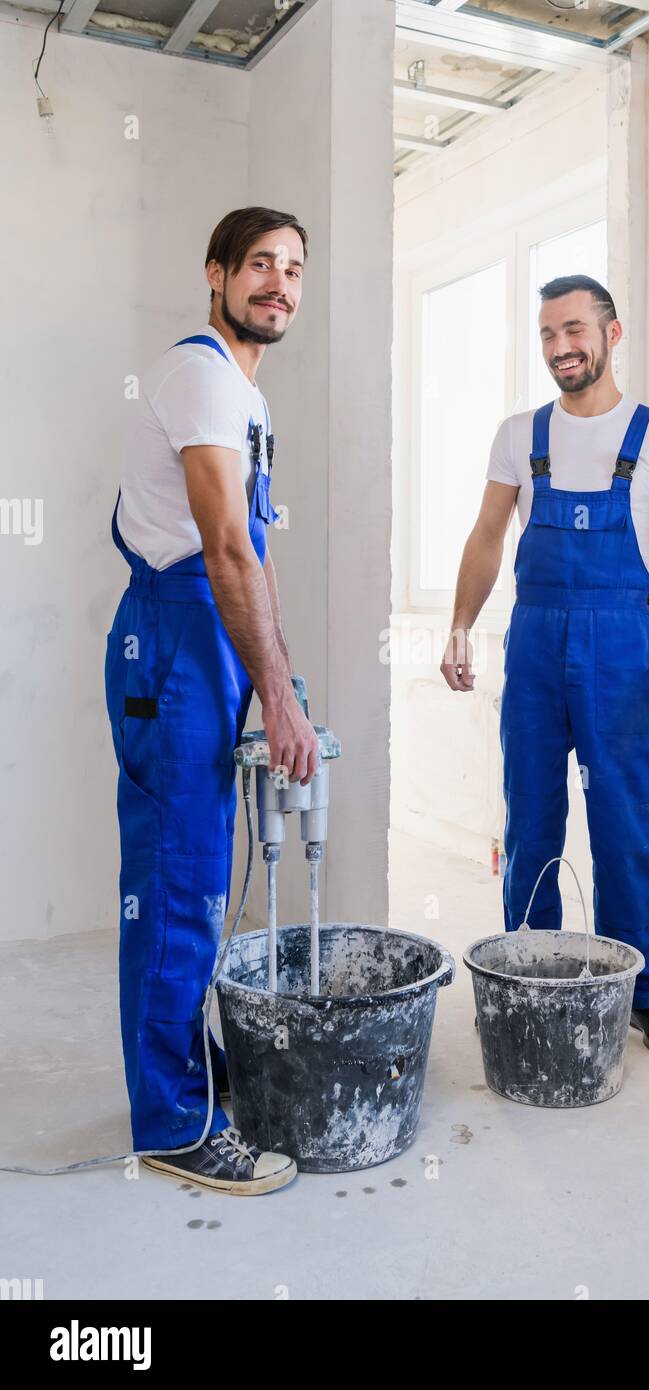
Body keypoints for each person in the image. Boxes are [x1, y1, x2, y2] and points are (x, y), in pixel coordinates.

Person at [441, 275, 649, 1058]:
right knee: (530, 817)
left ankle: (648, 991)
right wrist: (460, 624)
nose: (560, 347)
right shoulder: (519, 434)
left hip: (621, 647)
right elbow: (489, 535)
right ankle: (528, 979)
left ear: (611, 333)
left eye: (573, 329)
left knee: (627, 819)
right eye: (546, 335)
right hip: (532, 643)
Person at [105, 207, 319, 1192]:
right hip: (175, 644)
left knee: (190, 872)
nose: (277, 282)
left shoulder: (244, 393)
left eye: (292, 269)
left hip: (212, 644)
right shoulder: (200, 373)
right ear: (216, 273)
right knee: (175, 878)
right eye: (259, 265)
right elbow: (224, 547)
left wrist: (278, 670)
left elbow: (252, 557)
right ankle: (171, 1124)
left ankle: (185, 1075)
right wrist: (273, 693)